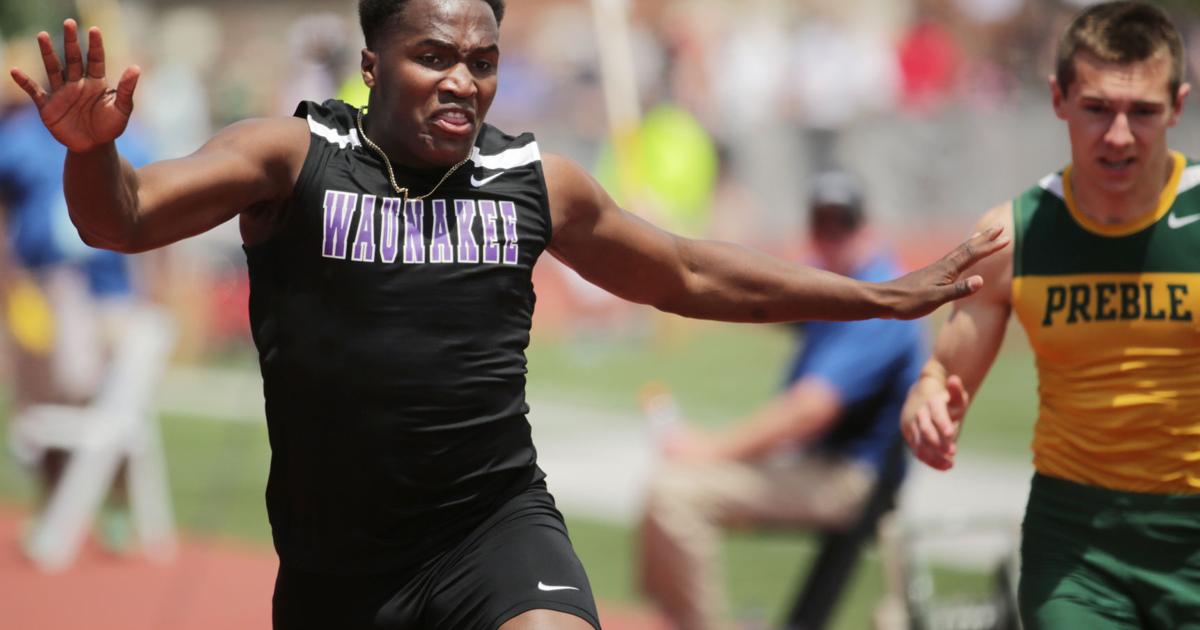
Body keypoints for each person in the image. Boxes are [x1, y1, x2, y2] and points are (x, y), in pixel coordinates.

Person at [9, 2, 1004, 628]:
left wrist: (882, 294)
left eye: (482, 60)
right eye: (433, 54)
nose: (463, 80)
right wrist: (90, 153)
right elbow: (123, 222)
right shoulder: (293, 157)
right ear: (370, 63)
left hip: (493, 529)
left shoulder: (532, 180)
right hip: (336, 565)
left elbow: (692, 275)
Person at [899, 2, 1200, 628]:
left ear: (1177, 104)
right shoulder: (1014, 236)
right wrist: (926, 402)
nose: (1119, 135)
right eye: (1097, 108)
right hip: (1076, 546)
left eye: (1143, 111)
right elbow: (940, 376)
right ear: (1059, 98)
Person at [638, 170, 926, 630]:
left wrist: (710, 449)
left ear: (867, 230)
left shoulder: (879, 297)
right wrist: (662, 243)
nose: (831, 239)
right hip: (820, 466)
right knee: (668, 485)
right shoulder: (837, 287)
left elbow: (809, 410)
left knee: (676, 495)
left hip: (852, 479)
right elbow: (746, 291)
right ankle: (678, 618)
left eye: (843, 226)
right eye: (820, 227)